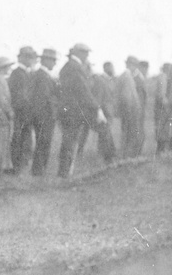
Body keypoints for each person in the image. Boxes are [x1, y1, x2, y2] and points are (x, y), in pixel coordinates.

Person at [57, 43, 113, 177]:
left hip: (71, 110)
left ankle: (64, 173)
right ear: (77, 53)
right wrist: (97, 108)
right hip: (74, 111)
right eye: (84, 52)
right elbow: (83, 90)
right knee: (71, 141)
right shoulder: (74, 68)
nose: (87, 55)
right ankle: (110, 164)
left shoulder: (70, 66)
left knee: (70, 141)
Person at [8, 46, 39, 173]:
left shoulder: (26, 73)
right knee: (18, 140)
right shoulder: (17, 73)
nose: (32, 60)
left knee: (25, 140)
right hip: (20, 113)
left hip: (26, 113)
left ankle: (20, 166)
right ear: (23, 58)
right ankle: (16, 168)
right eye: (30, 57)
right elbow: (19, 96)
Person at [30, 48, 58, 176]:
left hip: (44, 116)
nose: (54, 64)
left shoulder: (43, 75)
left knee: (43, 144)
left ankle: (39, 172)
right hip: (44, 117)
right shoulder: (42, 76)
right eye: (53, 60)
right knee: (43, 144)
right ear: (45, 60)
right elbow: (43, 98)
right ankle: (38, 172)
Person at [116, 56, 143, 158]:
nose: (134, 67)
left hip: (129, 110)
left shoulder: (126, 75)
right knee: (130, 135)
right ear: (130, 65)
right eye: (133, 65)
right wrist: (129, 110)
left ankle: (127, 156)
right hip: (130, 111)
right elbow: (126, 96)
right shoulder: (127, 76)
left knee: (128, 134)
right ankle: (128, 157)